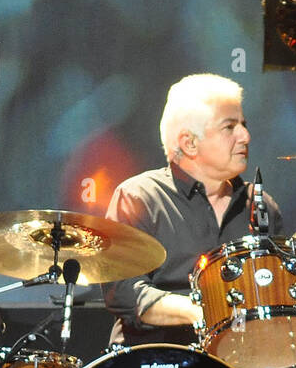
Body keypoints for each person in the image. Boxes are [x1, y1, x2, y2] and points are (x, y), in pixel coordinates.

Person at [103, 73, 281, 348]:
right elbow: (123, 292)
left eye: (243, 125)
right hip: (157, 366)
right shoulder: (139, 197)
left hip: (245, 366)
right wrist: (201, 311)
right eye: (229, 127)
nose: (245, 136)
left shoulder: (260, 205)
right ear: (189, 143)